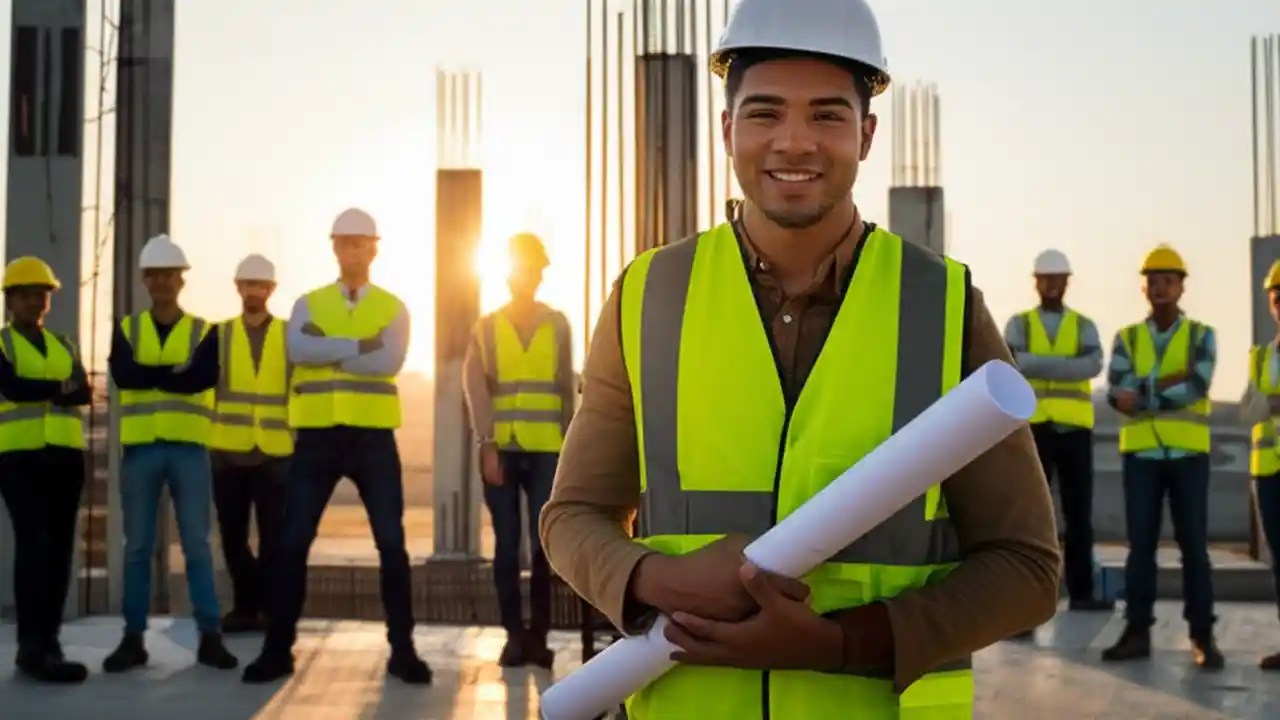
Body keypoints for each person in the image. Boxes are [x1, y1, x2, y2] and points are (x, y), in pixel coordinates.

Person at [538, 1, 1062, 716]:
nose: (794, 142)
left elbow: (1026, 567)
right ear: (728, 129)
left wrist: (839, 644)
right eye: (765, 113)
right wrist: (657, 578)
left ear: (866, 135)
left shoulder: (942, 306)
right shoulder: (648, 295)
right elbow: (573, 516)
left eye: (826, 115)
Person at [242, 208, 431, 684]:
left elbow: (387, 362)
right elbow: (299, 351)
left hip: (372, 437)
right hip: (318, 436)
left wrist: (331, 347)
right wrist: (361, 344)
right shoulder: (309, 304)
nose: (352, 250)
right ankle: (277, 650)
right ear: (334, 248)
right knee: (292, 543)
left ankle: (403, 651)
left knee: (391, 544)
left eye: (360, 243)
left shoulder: (393, 308)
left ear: (373, 249)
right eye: (345, 242)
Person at [103, 233, 238, 672]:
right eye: (154, 275)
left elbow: (201, 378)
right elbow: (124, 376)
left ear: (182, 279)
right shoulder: (127, 329)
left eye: (169, 274)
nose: (162, 281)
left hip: (188, 449)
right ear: (145, 280)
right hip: (141, 450)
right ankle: (133, 639)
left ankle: (210, 637)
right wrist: (173, 373)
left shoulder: (204, 331)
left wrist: (154, 374)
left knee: (197, 545)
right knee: (137, 548)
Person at [1102, 244, 1221, 668]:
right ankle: (1137, 631)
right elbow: (1115, 390)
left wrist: (1144, 392)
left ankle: (1203, 634)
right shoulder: (1127, 338)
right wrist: (1166, 382)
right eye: (1153, 281)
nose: (1160, 287)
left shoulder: (1202, 336)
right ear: (1144, 288)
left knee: (1194, 547)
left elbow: (1197, 385)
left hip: (1188, 454)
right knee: (1141, 547)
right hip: (1141, 455)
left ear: (1181, 286)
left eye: (1168, 280)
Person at [462, 232, 575, 668]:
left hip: (548, 450)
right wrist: (486, 444)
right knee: (507, 545)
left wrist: (571, 449)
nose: (527, 276)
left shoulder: (558, 324)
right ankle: (513, 636)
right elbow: (476, 389)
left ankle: (539, 637)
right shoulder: (487, 328)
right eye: (521, 268)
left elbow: (564, 389)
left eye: (533, 269)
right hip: (502, 451)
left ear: (541, 274)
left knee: (545, 547)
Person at [1003, 249, 1112, 617]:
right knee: (1029, 518)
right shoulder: (1020, 324)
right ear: (1036, 282)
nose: (1051, 285)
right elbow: (1012, 360)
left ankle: (1081, 593)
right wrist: (1067, 364)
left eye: (1057, 279)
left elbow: (1093, 365)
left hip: (1074, 430)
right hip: (1032, 429)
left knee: (1079, 515)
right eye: (1046, 279)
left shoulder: (1083, 325)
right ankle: (1027, 598)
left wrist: (1037, 364)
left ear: (1067, 282)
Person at [0, 257, 91, 683]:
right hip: (20, 459)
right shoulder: (3, 345)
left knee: (58, 554)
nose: (36, 301)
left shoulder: (65, 344)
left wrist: (48, 390)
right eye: (27, 294)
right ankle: (31, 647)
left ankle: (50, 643)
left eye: (42, 294)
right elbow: (12, 387)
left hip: (65, 458)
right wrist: (58, 389)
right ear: (10, 300)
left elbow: (83, 392)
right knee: (33, 550)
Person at [209, 253, 293, 633]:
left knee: (274, 540)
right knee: (233, 539)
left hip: (274, 455)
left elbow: (299, 390)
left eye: (260, 285)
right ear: (238, 288)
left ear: (270, 290)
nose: (253, 291)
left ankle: (269, 609)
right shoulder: (220, 335)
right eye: (247, 285)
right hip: (228, 454)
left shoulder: (288, 336)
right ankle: (246, 607)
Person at [1240, 258, 1280, 670]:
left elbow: (1260, 404)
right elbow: (1248, 411)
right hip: (1267, 472)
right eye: (1276, 296)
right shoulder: (1260, 357)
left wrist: (1267, 402)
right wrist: (1270, 402)